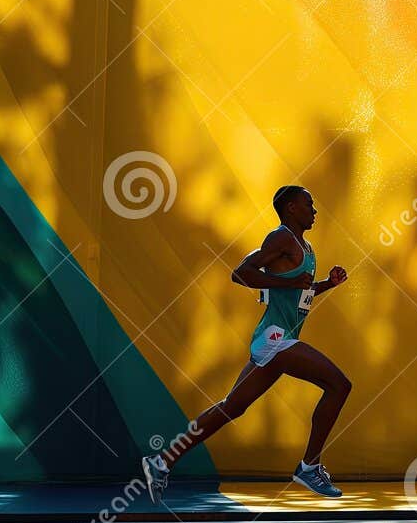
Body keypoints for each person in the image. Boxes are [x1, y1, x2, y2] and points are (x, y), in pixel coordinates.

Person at [144, 185, 353, 501]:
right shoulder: (281, 238)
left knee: (232, 407)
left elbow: (296, 295)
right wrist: (288, 281)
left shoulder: (305, 247)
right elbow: (241, 273)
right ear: (291, 208)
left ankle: (162, 461)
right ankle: (309, 467)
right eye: (309, 204)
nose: (315, 210)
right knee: (339, 385)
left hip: (276, 340)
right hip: (276, 339)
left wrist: (326, 285)